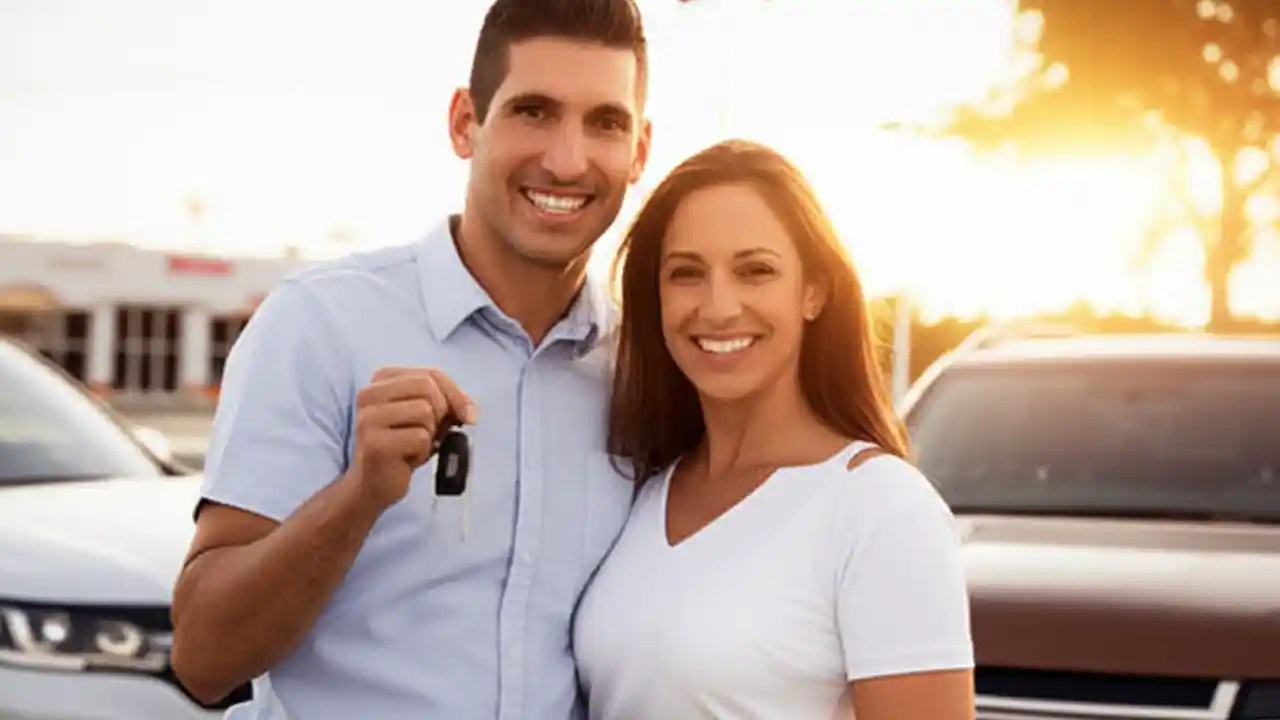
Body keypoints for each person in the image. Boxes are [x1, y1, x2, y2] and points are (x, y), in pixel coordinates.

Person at [168, 1, 652, 717]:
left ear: (640, 150)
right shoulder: (320, 324)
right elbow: (205, 659)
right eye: (533, 112)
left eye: (605, 123)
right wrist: (359, 495)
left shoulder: (646, 373)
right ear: (465, 123)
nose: (566, 159)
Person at [573, 139, 976, 719]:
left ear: (813, 290)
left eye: (754, 271)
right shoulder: (643, 492)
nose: (718, 306)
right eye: (686, 273)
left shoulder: (880, 508)